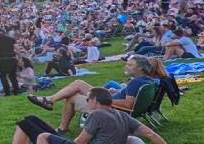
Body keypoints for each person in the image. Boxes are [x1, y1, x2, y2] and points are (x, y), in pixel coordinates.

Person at [0, 87, 178, 144]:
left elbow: (80, 143)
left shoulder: (97, 116)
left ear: (95, 101)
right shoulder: (122, 116)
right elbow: (151, 134)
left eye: (88, 100)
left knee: (42, 136)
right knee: (31, 122)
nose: (86, 103)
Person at [28, 55, 159, 133]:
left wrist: (104, 99)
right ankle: (50, 102)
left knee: (74, 93)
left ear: (140, 68)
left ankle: (57, 117)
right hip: (115, 103)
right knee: (77, 86)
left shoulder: (136, 82)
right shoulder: (147, 80)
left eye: (130, 65)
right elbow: (129, 99)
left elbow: (128, 104)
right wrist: (116, 92)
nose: (126, 67)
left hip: (111, 108)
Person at [0, 28, 20, 95]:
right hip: (12, 59)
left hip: (3, 60)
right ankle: (16, 92)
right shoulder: (11, 38)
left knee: (3, 76)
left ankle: (7, 93)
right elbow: (17, 49)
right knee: (13, 76)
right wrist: (18, 58)